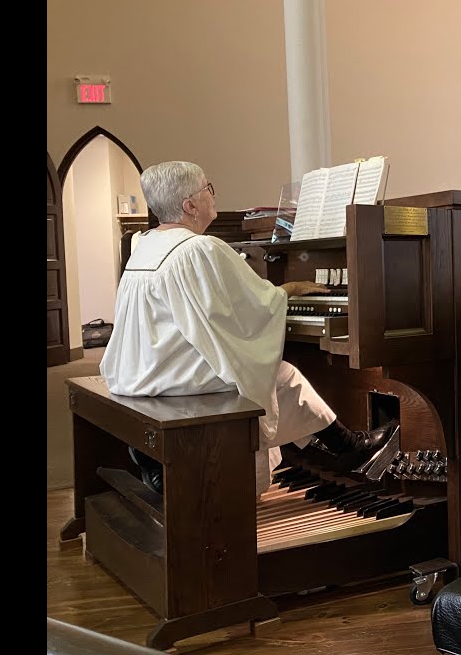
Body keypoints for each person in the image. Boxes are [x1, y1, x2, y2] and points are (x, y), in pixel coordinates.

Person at [100, 161, 396, 498]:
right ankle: (347, 448)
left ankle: (326, 451)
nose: (214, 195)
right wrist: (286, 291)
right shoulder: (198, 248)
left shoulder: (146, 243)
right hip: (171, 379)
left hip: (143, 370)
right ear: (190, 206)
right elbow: (247, 311)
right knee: (282, 375)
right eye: (208, 189)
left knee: (272, 377)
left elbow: (219, 311)